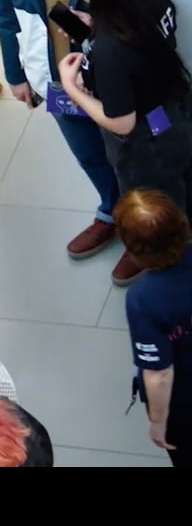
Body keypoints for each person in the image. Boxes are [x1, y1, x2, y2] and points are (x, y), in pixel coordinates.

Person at [0, 0, 128, 275]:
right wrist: (16, 74)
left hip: (109, 86)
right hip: (56, 83)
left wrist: (98, 22)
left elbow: (133, 21)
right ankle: (112, 211)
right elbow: (6, 12)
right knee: (88, 153)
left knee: (128, 155)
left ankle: (142, 229)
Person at [59, 0, 192, 257]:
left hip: (144, 137)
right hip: (174, 107)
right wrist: (95, 25)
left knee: (154, 198)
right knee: (182, 171)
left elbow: (121, 122)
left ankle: (158, 249)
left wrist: (72, 88)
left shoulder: (109, 51)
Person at [115, 189, 192, 464]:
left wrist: (158, 421)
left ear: (132, 248)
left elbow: (158, 373)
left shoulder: (143, 299)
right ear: (181, 223)